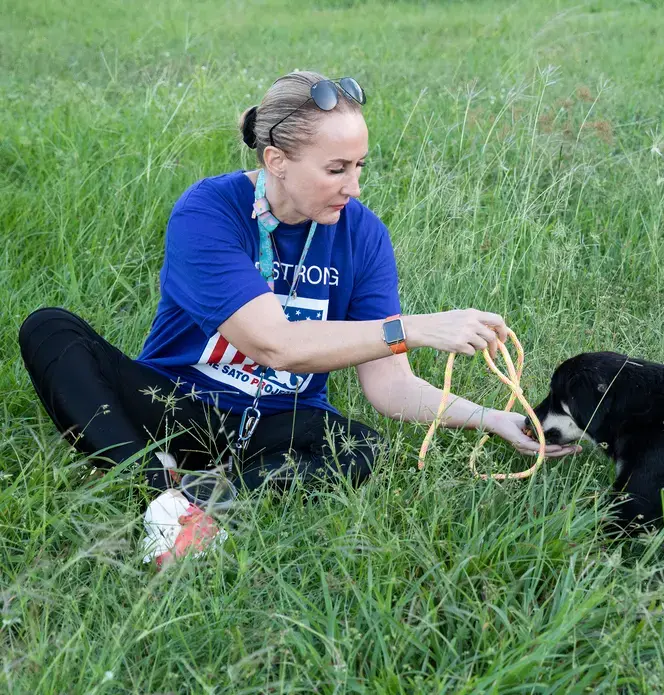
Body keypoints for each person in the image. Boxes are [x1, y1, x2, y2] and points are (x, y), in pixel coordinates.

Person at [18, 70, 580, 567]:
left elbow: (389, 387)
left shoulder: (363, 234)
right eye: (336, 168)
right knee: (50, 328)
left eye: (359, 166)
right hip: (175, 406)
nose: (354, 187)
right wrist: (408, 327)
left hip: (277, 423)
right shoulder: (209, 210)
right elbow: (274, 345)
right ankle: (161, 497)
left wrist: (489, 417)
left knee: (364, 450)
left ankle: (205, 497)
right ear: (276, 161)